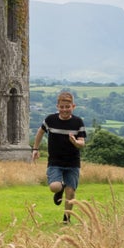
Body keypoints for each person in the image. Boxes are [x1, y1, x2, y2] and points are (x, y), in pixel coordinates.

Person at [31, 91, 87, 223]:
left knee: (71, 193)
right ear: (57, 106)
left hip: (73, 162)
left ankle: (66, 219)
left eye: (67, 107)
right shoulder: (50, 120)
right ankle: (60, 189)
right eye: (62, 107)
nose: (64, 110)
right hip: (55, 161)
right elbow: (40, 132)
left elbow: (82, 143)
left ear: (73, 106)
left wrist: (75, 142)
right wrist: (35, 148)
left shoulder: (78, 122)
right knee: (54, 187)